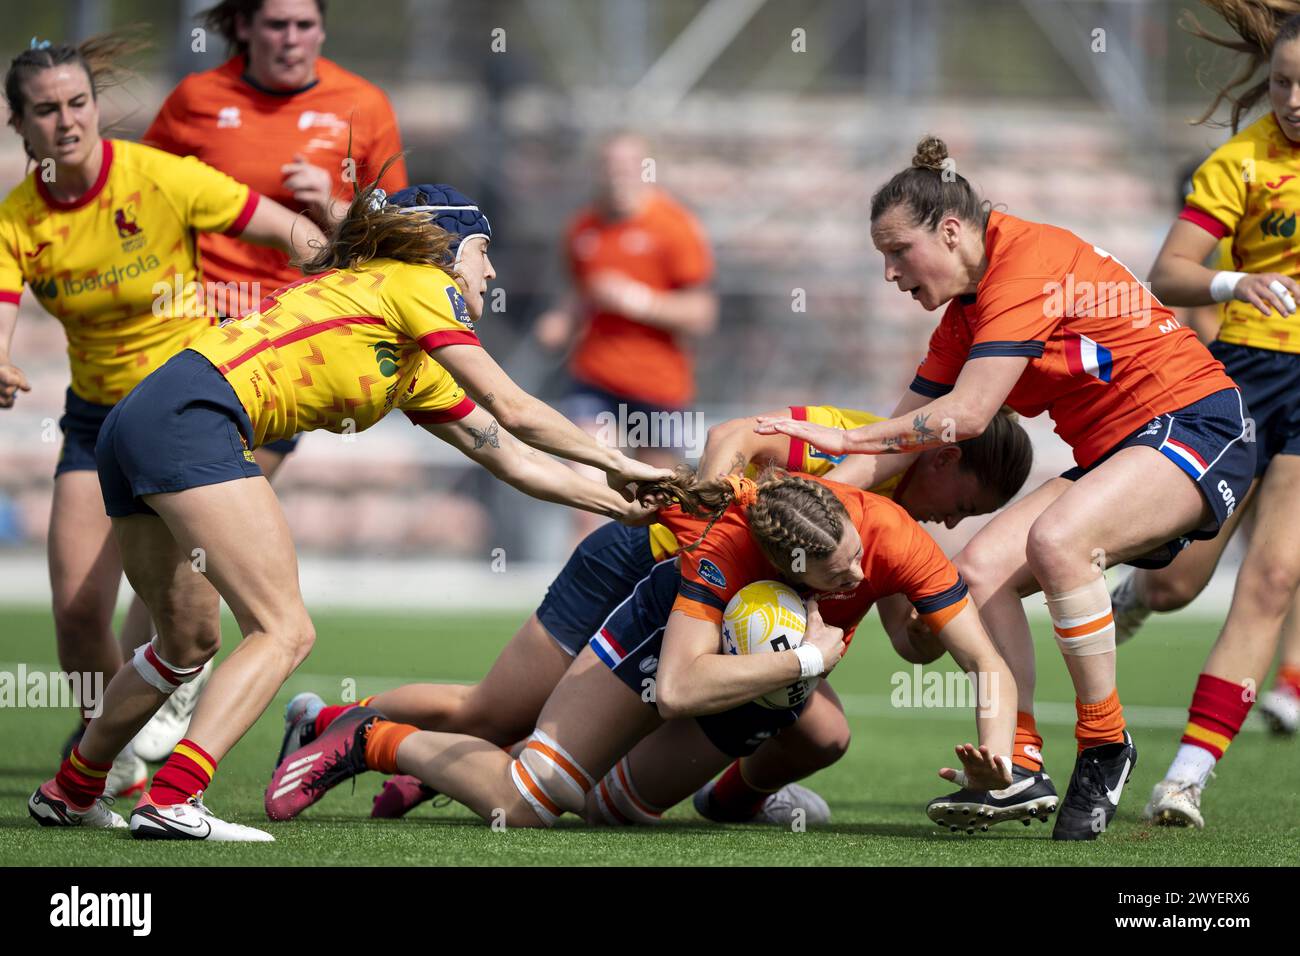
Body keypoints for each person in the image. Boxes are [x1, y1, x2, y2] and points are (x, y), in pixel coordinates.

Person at [26, 180, 669, 841]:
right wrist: (621, 462)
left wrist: (622, 504)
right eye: (483, 251)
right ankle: (174, 797)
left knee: (185, 643)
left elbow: (510, 456)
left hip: (144, 416)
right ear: (448, 251)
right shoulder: (421, 282)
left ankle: (70, 791)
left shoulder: (406, 347)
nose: (492, 270)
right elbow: (514, 407)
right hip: (195, 418)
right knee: (285, 631)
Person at [758, 135, 1252, 840]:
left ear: (952, 231)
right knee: (979, 572)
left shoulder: (1025, 264)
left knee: (1058, 541)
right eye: (882, 258)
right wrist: (797, 519)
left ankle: (1105, 744)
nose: (891, 273)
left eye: (898, 252)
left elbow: (962, 418)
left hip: (1199, 426)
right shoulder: (964, 316)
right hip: (1126, 451)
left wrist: (850, 437)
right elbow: (899, 446)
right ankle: (1017, 763)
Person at [273, 402, 1033, 824]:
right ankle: (352, 730)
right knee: (500, 719)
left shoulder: (891, 534)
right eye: (964, 505)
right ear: (945, 462)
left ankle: (731, 800)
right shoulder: (747, 527)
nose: (954, 525)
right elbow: (734, 437)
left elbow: (941, 649)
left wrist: (994, 758)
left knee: (819, 733)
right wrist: (803, 656)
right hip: (655, 567)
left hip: (729, 624)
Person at [0, 35, 326, 803]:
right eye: (45, 110)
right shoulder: (17, 219)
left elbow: (291, 231)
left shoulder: (160, 177)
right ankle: (106, 758)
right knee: (80, 609)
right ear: (19, 125)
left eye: (78, 103)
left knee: (180, 610)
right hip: (95, 423)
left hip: (185, 413)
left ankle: (162, 727)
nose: (67, 121)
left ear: (95, 106)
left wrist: (326, 282)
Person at [129, 0, 409, 762]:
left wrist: (336, 208)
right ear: (244, 27)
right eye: (275, 23)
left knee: (207, 540)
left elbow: (395, 239)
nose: (291, 37)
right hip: (190, 341)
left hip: (285, 354)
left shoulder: (362, 105)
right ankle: (141, 705)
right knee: (160, 549)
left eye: (304, 23)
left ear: (322, 29)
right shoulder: (196, 102)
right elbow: (143, 200)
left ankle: (167, 691)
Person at [1119, 1, 1300, 827]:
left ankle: (1186, 777)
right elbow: (1171, 270)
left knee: (1276, 576)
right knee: (1179, 580)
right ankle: (1136, 593)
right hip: (1251, 376)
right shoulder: (1242, 163)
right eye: (1284, 84)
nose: (1293, 100)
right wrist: (1234, 283)